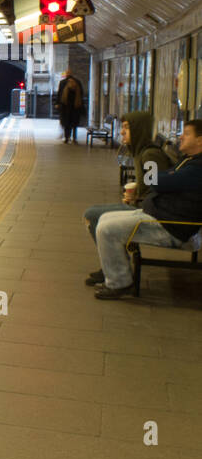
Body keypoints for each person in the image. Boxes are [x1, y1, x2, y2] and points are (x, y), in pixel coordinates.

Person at [90, 118, 202, 299]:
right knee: (103, 220)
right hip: (162, 215)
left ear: (200, 140)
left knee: (106, 229)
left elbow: (154, 181)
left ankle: (119, 282)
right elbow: (163, 178)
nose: (181, 137)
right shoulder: (189, 161)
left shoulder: (196, 168)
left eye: (187, 134)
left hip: (173, 227)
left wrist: (165, 176)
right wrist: (167, 176)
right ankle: (116, 273)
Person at [83, 111, 172, 284]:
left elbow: (158, 186)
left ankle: (114, 268)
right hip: (145, 205)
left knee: (93, 215)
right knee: (93, 214)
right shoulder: (141, 152)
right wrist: (137, 192)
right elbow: (151, 183)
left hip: (150, 211)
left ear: (138, 129)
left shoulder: (150, 156)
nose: (122, 132)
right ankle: (112, 265)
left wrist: (137, 198)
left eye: (127, 128)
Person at [55, 69, 84, 143]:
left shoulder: (62, 82)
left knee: (66, 122)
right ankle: (74, 138)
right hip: (76, 106)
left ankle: (66, 138)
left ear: (66, 74)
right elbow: (81, 94)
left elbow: (59, 94)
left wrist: (57, 103)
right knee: (74, 123)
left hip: (65, 106)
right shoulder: (78, 82)